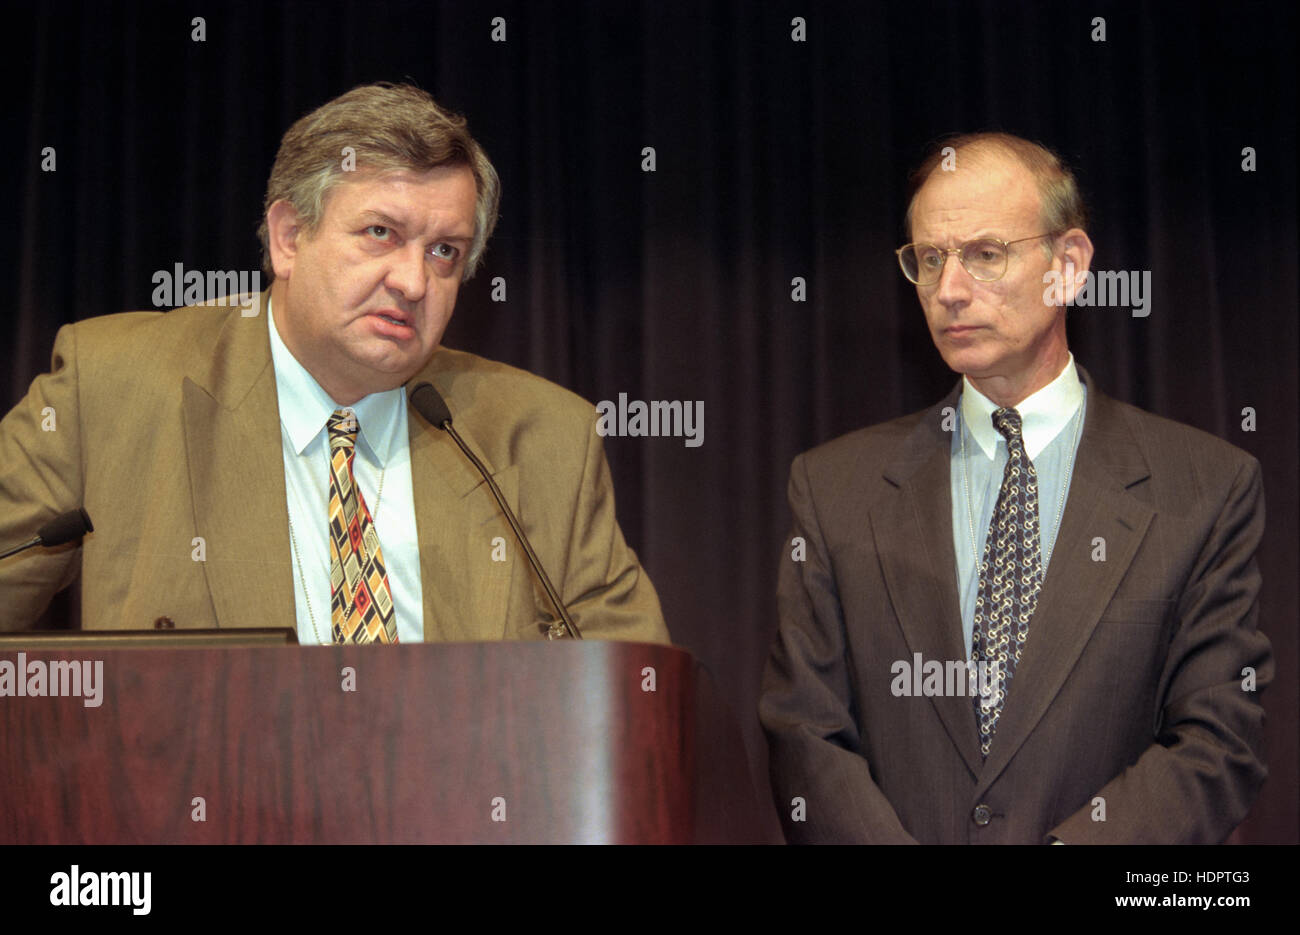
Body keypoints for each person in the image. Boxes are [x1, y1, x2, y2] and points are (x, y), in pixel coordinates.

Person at [0, 82, 669, 645]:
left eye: (444, 251)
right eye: (381, 233)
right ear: (289, 237)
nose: (413, 280)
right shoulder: (111, 388)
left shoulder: (546, 437)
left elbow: (640, 699)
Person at [759, 132, 1272, 843]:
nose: (949, 289)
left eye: (984, 254)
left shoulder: (1205, 488)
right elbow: (804, 729)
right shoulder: (833, 489)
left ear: (1068, 267)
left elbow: (1219, 738)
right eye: (929, 259)